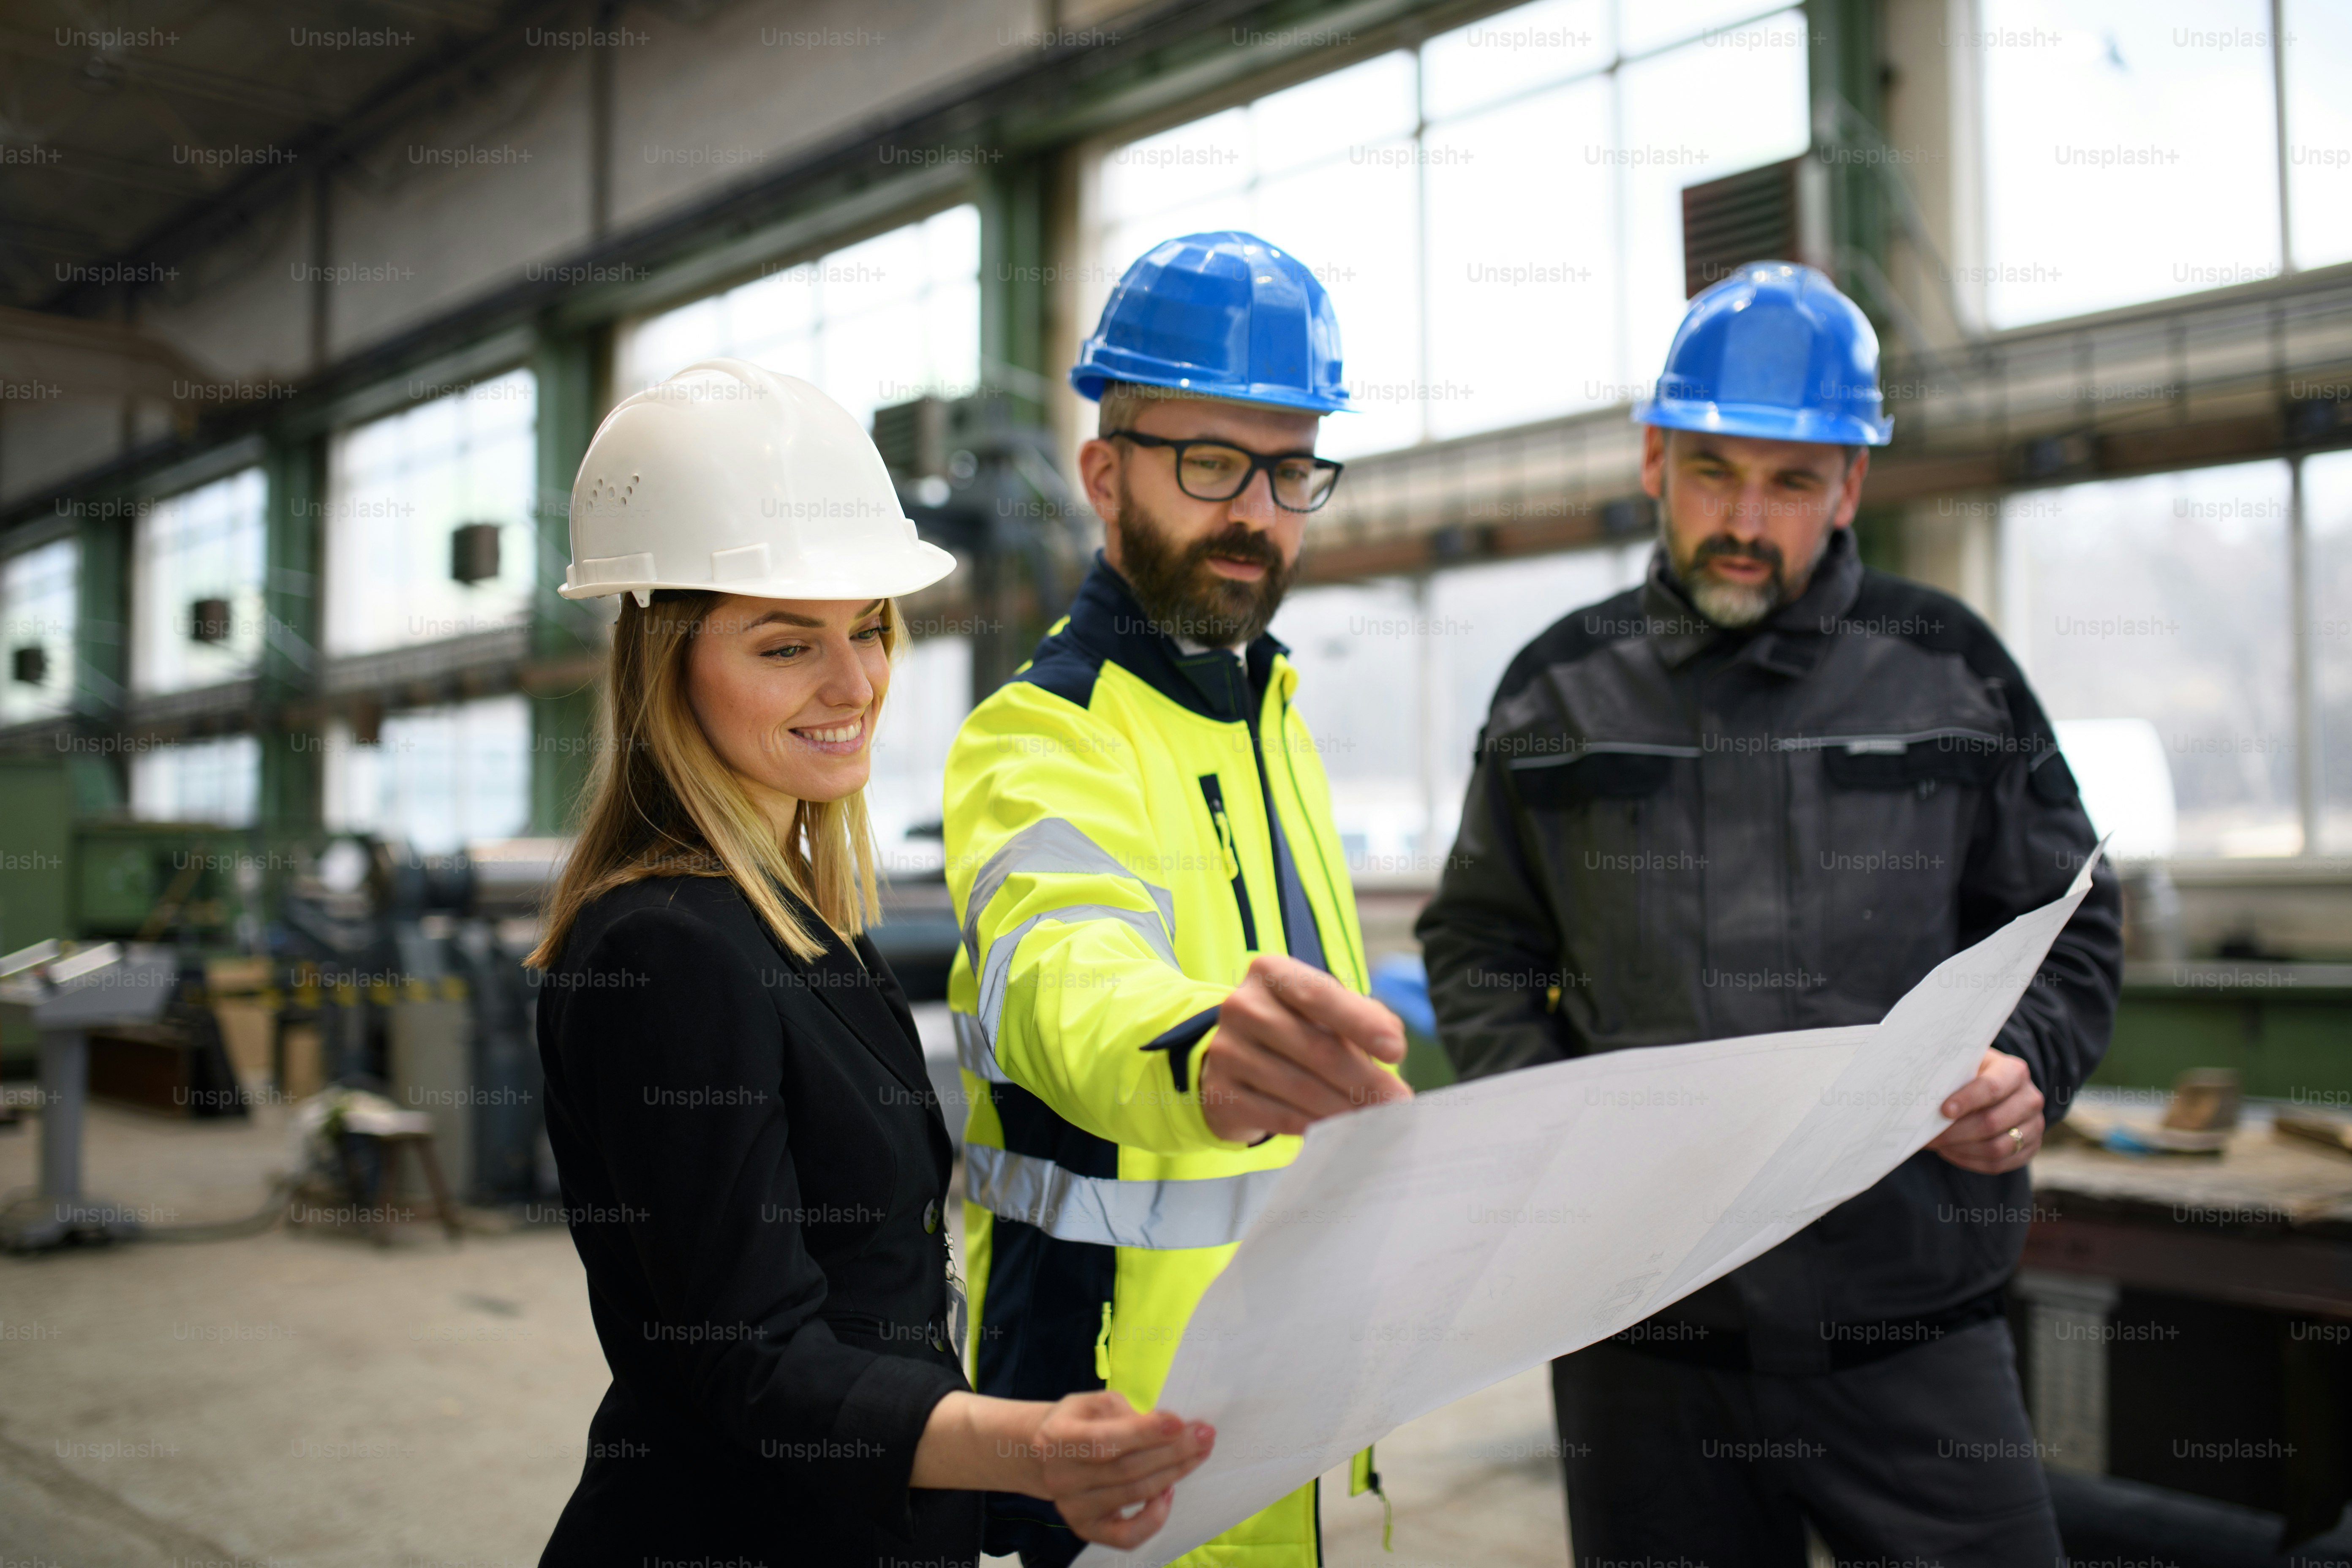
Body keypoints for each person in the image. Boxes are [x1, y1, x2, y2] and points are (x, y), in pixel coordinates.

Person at [1415, 264, 2123, 1567]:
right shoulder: (1556, 691)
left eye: (1792, 483)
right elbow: (1477, 944)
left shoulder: (1953, 670)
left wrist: (2028, 1066)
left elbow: (2070, 921)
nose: (1746, 519)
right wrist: (1550, 1121)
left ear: (1850, 487)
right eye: (1712, 473)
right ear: (1653, 461)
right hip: (1644, 1326)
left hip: (1909, 1326)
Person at [527, 358, 1213, 1567]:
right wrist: (1024, 1446)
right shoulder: (665, 952)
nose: (856, 685)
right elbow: (754, 1358)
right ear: (665, 661)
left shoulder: (790, 915)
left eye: (872, 631)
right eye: (788, 646)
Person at [942, 234, 1412, 1567]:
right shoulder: (1042, 736)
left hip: (1308, 1448)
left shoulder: (1277, 718)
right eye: (1210, 462)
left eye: (1292, 468)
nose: (1255, 512)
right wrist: (1199, 1047)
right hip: (1114, 1469)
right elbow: (1063, 974)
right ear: (1105, 474)